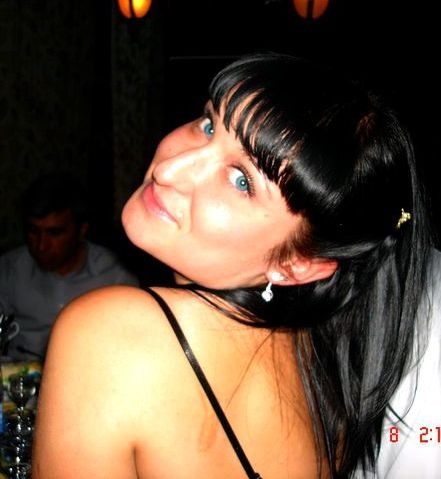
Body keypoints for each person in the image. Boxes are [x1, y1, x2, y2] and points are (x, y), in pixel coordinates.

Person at [32, 53, 440, 478]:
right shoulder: (323, 373)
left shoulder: (111, 335)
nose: (169, 169)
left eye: (242, 180)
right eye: (209, 125)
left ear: (298, 264)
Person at [0, 172, 139, 361]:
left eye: (55, 233)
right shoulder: (9, 269)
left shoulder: (116, 276)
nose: (41, 245)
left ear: (81, 231)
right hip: (19, 373)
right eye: (33, 231)